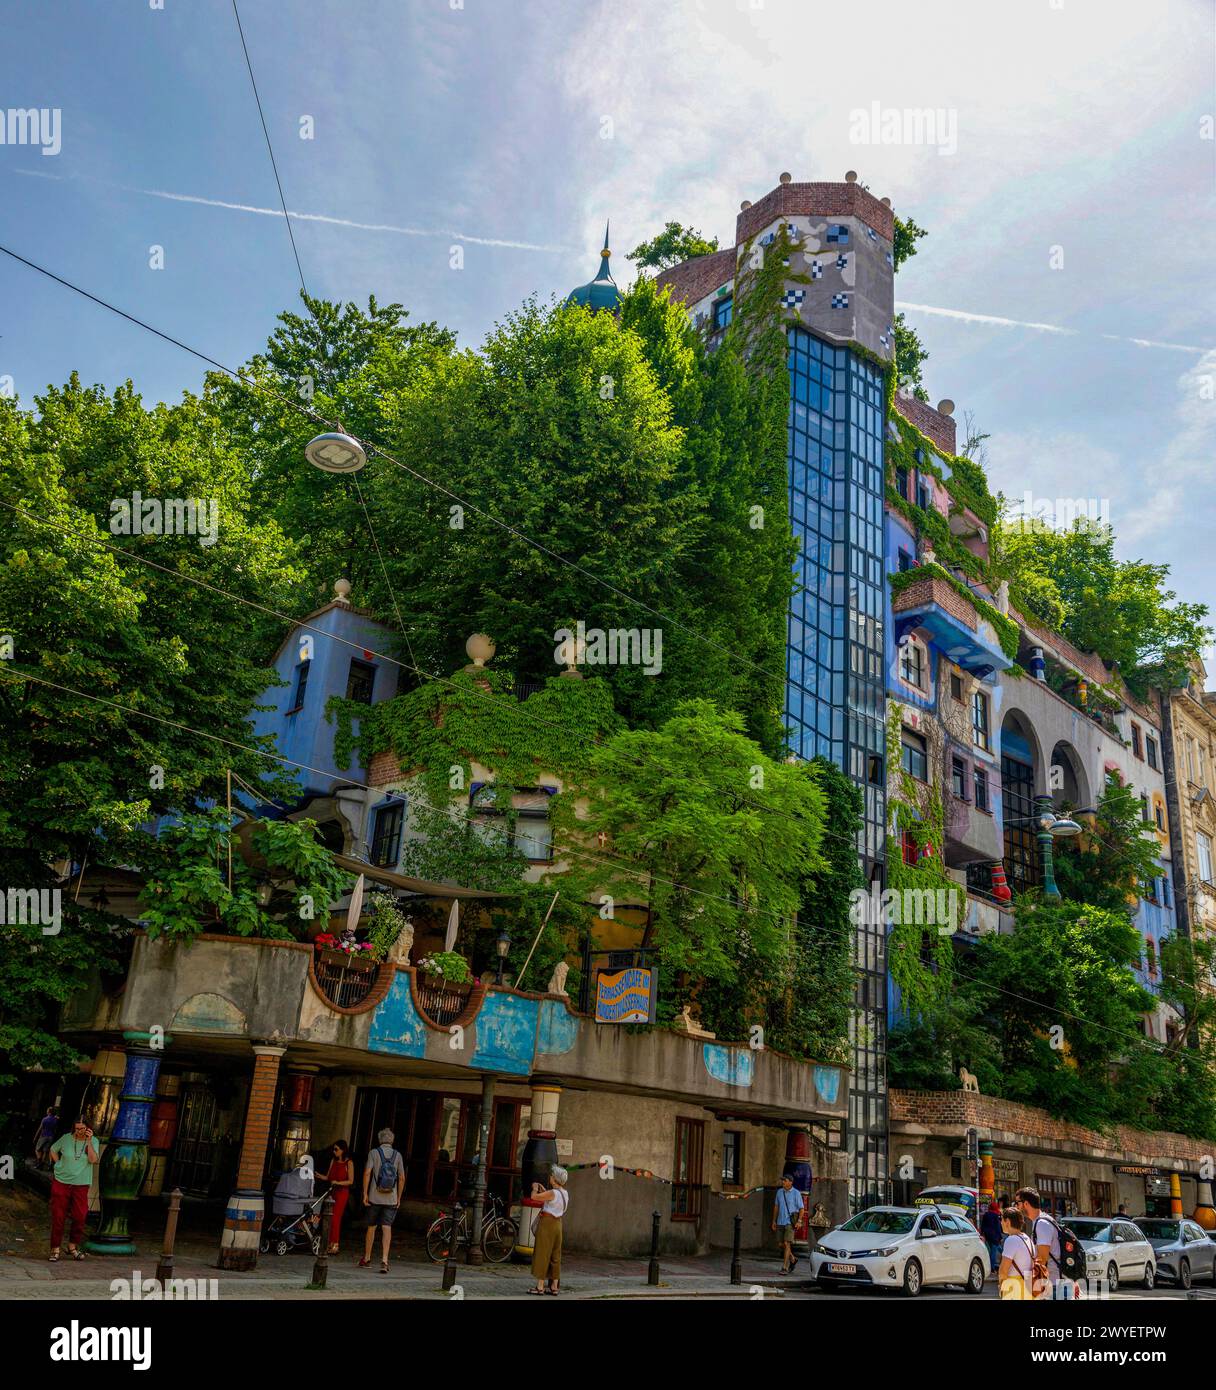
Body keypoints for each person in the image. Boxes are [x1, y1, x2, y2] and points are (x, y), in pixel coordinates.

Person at [47, 1118, 99, 1261]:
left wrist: (88, 1142)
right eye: (76, 1128)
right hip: (61, 1182)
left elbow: (93, 1160)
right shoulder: (66, 1138)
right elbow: (53, 1149)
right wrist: (57, 1164)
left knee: (80, 1216)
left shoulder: (94, 1141)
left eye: (82, 1128)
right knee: (58, 1216)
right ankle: (55, 1249)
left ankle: (72, 1247)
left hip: (81, 1184)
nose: (78, 1131)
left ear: (88, 1128)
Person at [360, 1128, 404, 1273]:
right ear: (392, 1140)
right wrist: (398, 1197)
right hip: (391, 1198)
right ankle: (384, 1261)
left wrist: (365, 1193)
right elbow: (402, 1177)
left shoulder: (373, 1153)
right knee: (387, 1227)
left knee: (371, 1227)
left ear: (380, 1140)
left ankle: (367, 1258)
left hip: (374, 1196)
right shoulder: (398, 1155)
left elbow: (367, 1173)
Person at [1015, 1186, 1065, 1300]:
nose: (1017, 1207)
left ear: (1026, 1203)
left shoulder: (1042, 1224)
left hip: (1053, 1284)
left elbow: (1042, 1258)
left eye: (1018, 1203)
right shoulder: (1040, 1221)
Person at [528, 1165, 569, 1295]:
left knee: (543, 1253)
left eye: (551, 1175)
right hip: (558, 1224)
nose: (550, 1177)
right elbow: (552, 1199)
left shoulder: (552, 1193)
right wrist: (544, 1190)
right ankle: (554, 1286)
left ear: (555, 1179)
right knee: (555, 1255)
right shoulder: (564, 1193)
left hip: (547, 1224)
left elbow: (534, 1197)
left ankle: (540, 1287)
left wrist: (535, 1188)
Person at [319, 1140, 353, 1254]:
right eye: (333, 1149)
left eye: (336, 1149)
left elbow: (350, 1181)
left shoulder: (349, 1163)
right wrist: (319, 1176)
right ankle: (329, 1242)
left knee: (336, 1217)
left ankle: (335, 1244)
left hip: (342, 1192)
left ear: (343, 1150)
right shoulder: (333, 1161)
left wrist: (338, 1183)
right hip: (332, 1191)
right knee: (328, 1217)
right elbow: (328, 1177)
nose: (334, 1152)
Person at [997, 1207, 1036, 1300]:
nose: (1001, 1223)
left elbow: (1003, 1270)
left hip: (1014, 1288)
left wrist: (1001, 1286)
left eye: (1001, 1220)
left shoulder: (1011, 1240)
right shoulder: (1027, 1238)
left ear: (1007, 1221)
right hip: (1028, 1287)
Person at [772, 1173, 805, 1274]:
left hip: (790, 1222)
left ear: (790, 1182)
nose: (783, 1182)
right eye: (782, 1180)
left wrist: (799, 1221)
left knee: (787, 1243)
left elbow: (801, 1209)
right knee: (781, 1244)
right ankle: (793, 1259)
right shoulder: (779, 1192)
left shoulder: (796, 1193)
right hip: (780, 1221)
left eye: (785, 1180)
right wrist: (773, 1221)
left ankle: (784, 1267)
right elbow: (776, 1207)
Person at [980, 1198, 1004, 1275]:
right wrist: (1000, 1237)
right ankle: (992, 1269)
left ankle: (994, 1266)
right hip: (995, 1237)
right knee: (994, 1252)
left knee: (996, 1250)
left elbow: (982, 1225)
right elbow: (998, 1228)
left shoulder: (986, 1215)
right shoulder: (996, 1216)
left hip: (988, 1236)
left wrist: (982, 1234)